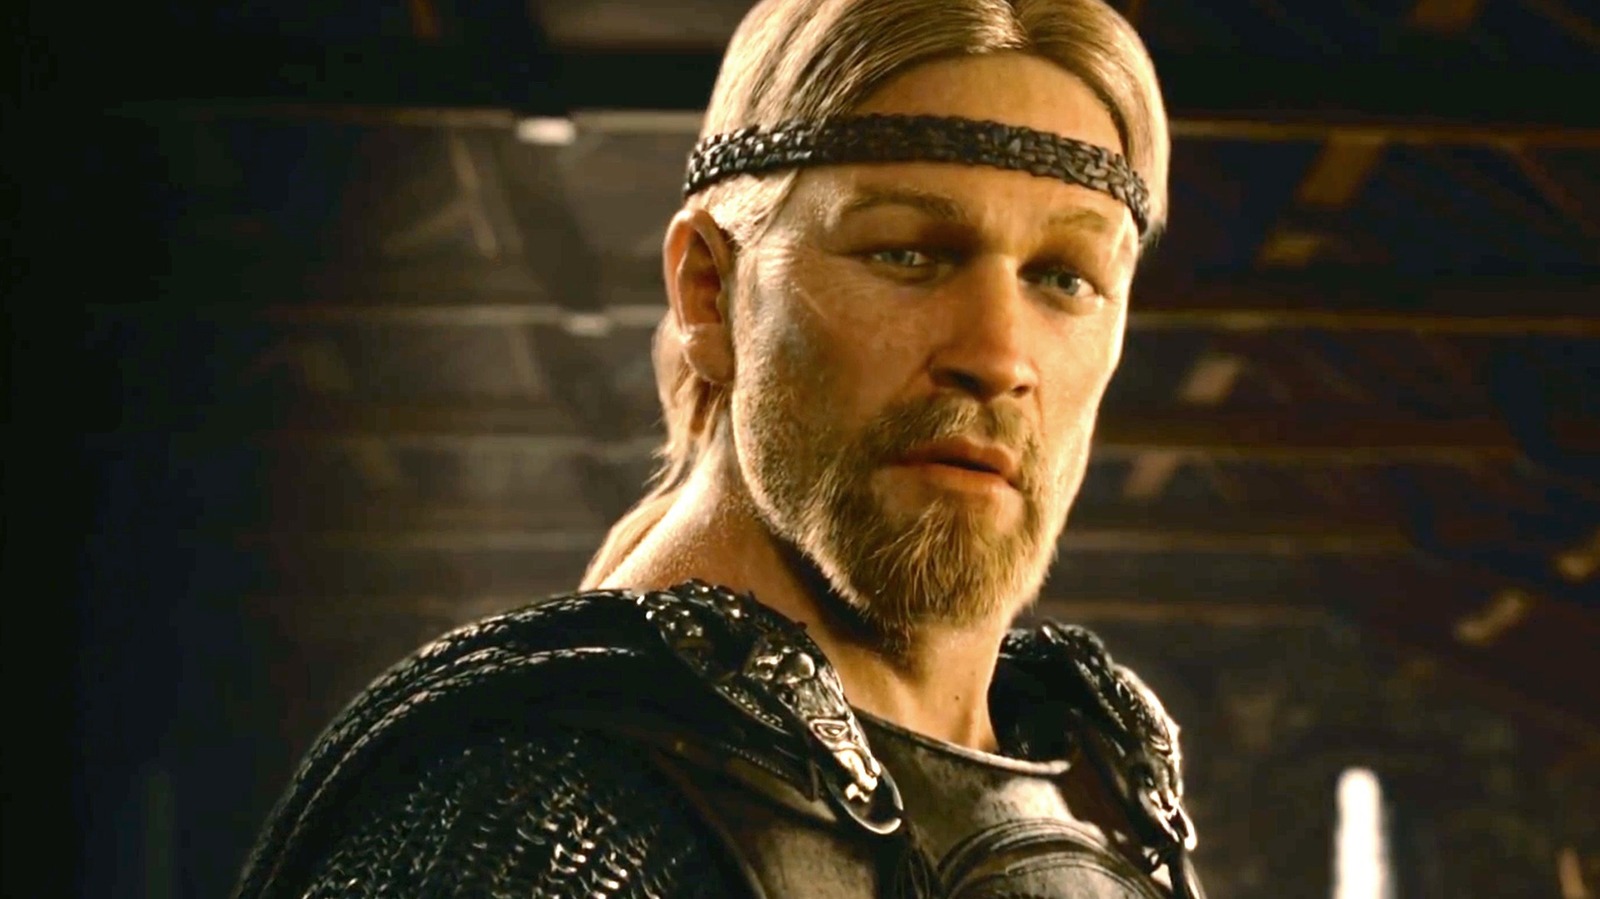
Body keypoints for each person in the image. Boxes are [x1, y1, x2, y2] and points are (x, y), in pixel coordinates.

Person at [234, 0, 1205, 896]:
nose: (997, 356)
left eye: (1065, 276)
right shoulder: (527, 808)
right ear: (709, 290)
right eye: (905, 251)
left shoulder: (1103, 792)